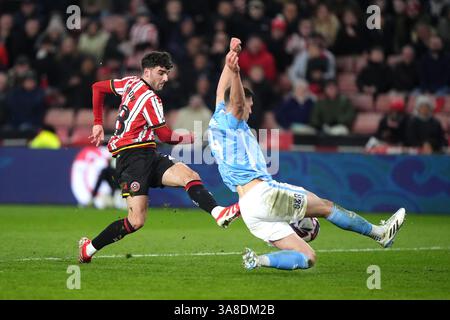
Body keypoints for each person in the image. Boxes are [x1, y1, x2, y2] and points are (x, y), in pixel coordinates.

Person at [208, 38, 406, 271]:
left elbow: (222, 92)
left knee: (307, 257)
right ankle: (379, 233)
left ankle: (257, 260)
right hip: (263, 194)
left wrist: (230, 59)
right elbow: (238, 104)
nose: (251, 109)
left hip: (249, 210)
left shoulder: (216, 120)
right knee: (325, 207)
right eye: (250, 104)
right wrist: (237, 72)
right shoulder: (234, 121)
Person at [79, 51, 240, 263]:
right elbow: (165, 136)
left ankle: (218, 212)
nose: (165, 78)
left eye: (167, 73)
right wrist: (190, 138)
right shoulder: (151, 98)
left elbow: (97, 88)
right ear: (147, 71)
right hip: (131, 158)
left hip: (148, 153)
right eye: (161, 73)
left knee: (188, 174)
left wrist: (98, 121)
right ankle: (88, 249)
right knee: (136, 221)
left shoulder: (130, 83)